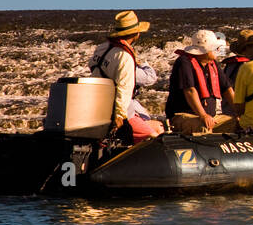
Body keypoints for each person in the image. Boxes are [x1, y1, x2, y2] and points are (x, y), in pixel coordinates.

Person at [88, 10, 165, 139]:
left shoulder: (102, 48)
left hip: (97, 105)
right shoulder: (124, 57)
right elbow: (124, 88)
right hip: (115, 111)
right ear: (135, 34)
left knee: (154, 126)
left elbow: (91, 66)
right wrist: (119, 116)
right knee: (153, 137)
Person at [165, 30, 238, 134]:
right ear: (204, 50)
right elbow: (190, 90)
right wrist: (203, 115)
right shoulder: (184, 62)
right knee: (203, 126)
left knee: (237, 123)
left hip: (210, 117)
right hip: (183, 116)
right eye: (215, 48)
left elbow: (227, 89)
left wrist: (240, 113)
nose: (218, 50)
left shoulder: (212, 63)